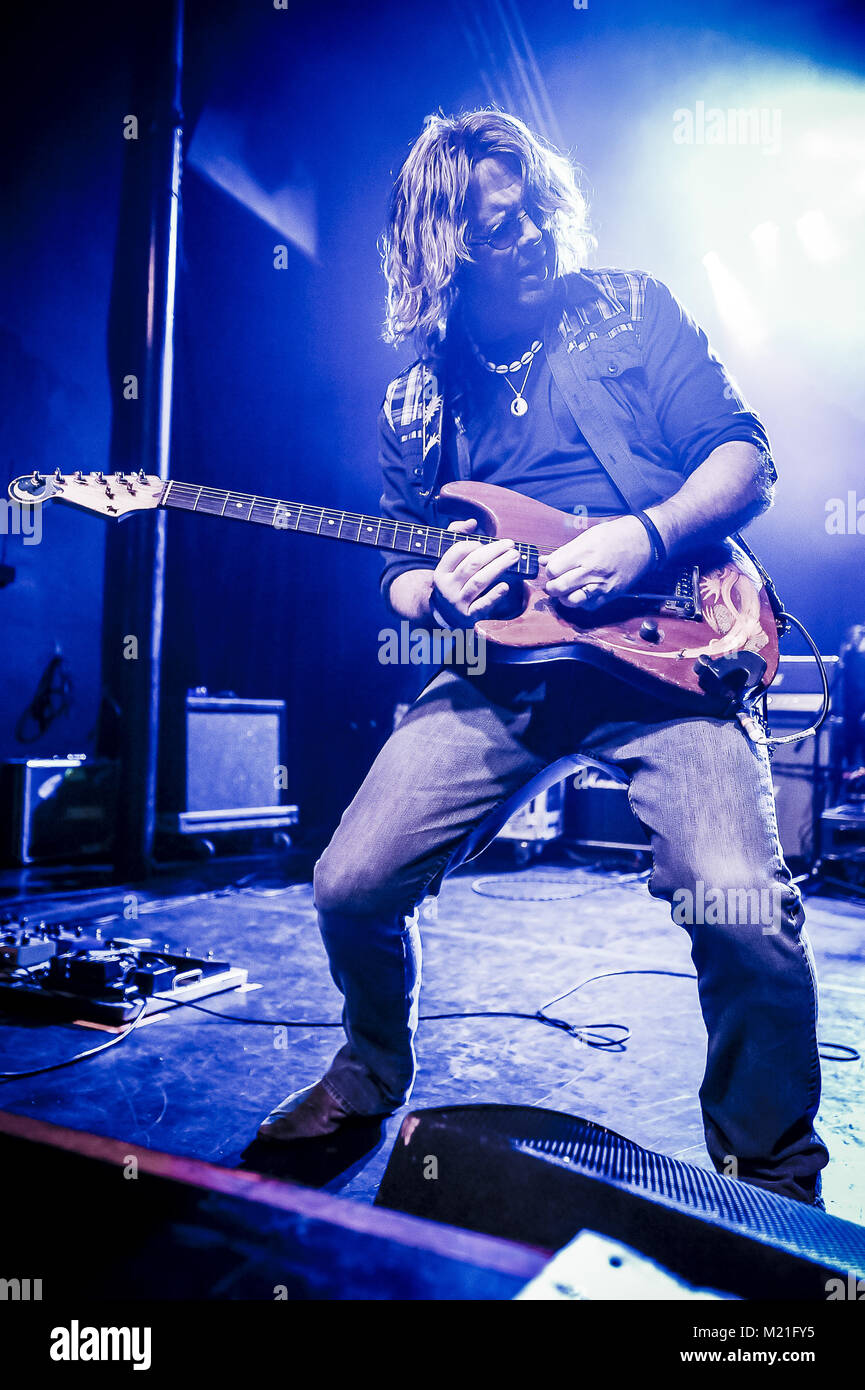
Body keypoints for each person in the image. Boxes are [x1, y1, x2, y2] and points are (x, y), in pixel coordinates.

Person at [257, 109, 828, 1205]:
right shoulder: (416, 392)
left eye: (526, 217)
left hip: (669, 659)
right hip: (503, 674)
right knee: (349, 882)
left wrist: (643, 537)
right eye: (487, 233)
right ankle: (372, 1065)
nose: (518, 241)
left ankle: (770, 1171)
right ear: (439, 251)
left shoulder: (627, 311)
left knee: (740, 908)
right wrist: (436, 590)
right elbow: (400, 560)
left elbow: (744, 460)